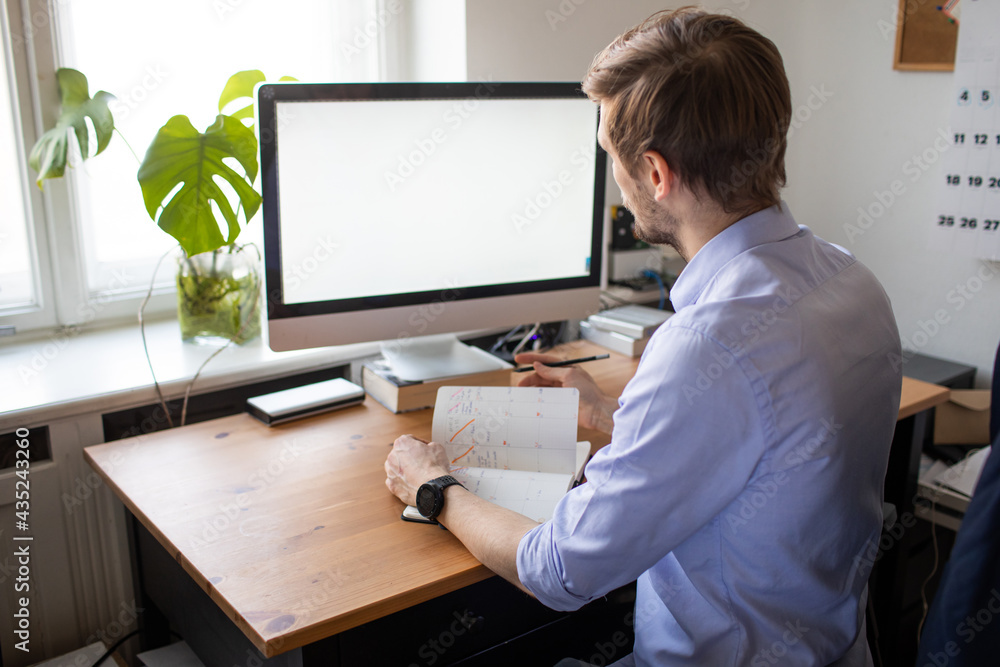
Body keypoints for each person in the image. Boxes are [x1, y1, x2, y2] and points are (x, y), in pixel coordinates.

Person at [384, 7, 902, 665]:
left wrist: (433, 485)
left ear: (657, 175)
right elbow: (761, 447)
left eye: (610, 156)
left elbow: (558, 571)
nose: (614, 179)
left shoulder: (707, 345)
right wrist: (610, 419)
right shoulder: (851, 281)